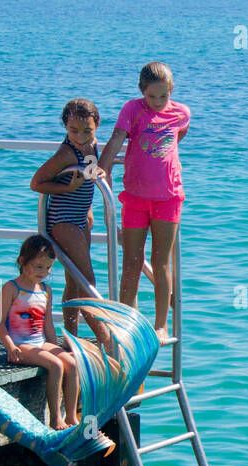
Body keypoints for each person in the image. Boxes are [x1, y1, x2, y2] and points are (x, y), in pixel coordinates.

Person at [97, 62, 190, 342]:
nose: (159, 102)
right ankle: (128, 322)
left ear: (172, 90)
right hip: (135, 199)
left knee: (161, 262)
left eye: (164, 96)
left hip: (168, 198)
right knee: (131, 263)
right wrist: (103, 168)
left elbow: (175, 140)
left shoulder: (181, 114)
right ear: (141, 92)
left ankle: (161, 324)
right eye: (152, 97)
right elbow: (116, 139)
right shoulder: (132, 110)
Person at [31, 98, 103, 341]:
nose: (80, 136)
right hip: (63, 219)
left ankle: (70, 339)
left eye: (87, 131)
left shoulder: (92, 144)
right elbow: (36, 183)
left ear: (96, 126)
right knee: (87, 280)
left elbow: (89, 172)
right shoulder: (65, 152)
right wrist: (67, 188)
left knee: (74, 281)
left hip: (81, 218)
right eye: (73, 130)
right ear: (65, 126)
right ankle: (106, 339)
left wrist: (90, 205)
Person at [0, 236, 79, 430]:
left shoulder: (45, 290)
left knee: (72, 363)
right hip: (20, 344)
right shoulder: (11, 288)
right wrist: (10, 346)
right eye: (38, 266)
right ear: (22, 261)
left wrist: (56, 347)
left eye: (48, 268)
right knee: (56, 365)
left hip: (40, 342)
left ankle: (71, 416)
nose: (44, 272)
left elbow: (47, 323)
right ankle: (55, 417)